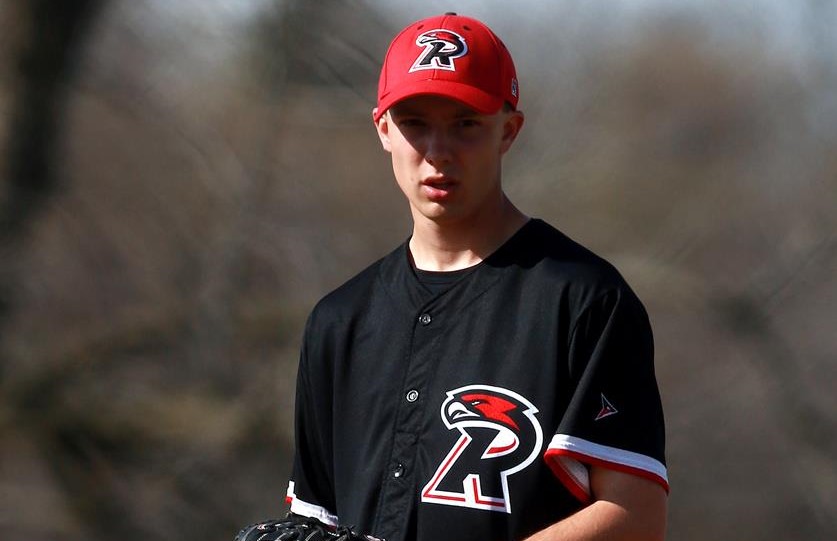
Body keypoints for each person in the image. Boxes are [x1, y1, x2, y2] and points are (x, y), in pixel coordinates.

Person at [284, 12, 668, 541]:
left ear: (507, 131)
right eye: (415, 123)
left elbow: (636, 517)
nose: (438, 153)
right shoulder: (339, 321)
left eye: (465, 123)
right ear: (382, 130)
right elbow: (316, 520)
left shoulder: (583, 301)